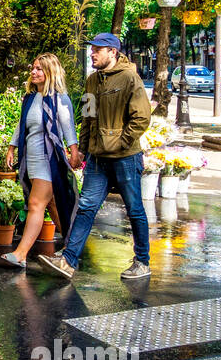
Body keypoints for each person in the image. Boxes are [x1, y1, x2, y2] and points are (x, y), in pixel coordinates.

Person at [38, 33, 152, 281]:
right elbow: (88, 117)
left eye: (98, 49)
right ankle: (68, 260)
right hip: (98, 159)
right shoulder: (92, 82)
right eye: (92, 50)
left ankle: (142, 261)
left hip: (126, 157)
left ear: (113, 52)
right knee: (87, 207)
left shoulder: (130, 78)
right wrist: (82, 150)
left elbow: (142, 118)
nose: (92, 53)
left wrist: (119, 142)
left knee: (134, 210)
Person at [0, 53, 81, 270]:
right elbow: (22, 125)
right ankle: (73, 245)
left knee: (36, 203)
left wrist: (74, 152)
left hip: (49, 158)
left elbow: (68, 128)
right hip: (32, 157)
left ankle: (21, 254)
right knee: (52, 202)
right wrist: (11, 147)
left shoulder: (59, 99)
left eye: (39, 69)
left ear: (50, 72)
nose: (34, 72)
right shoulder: (30, 98)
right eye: (33, 68)